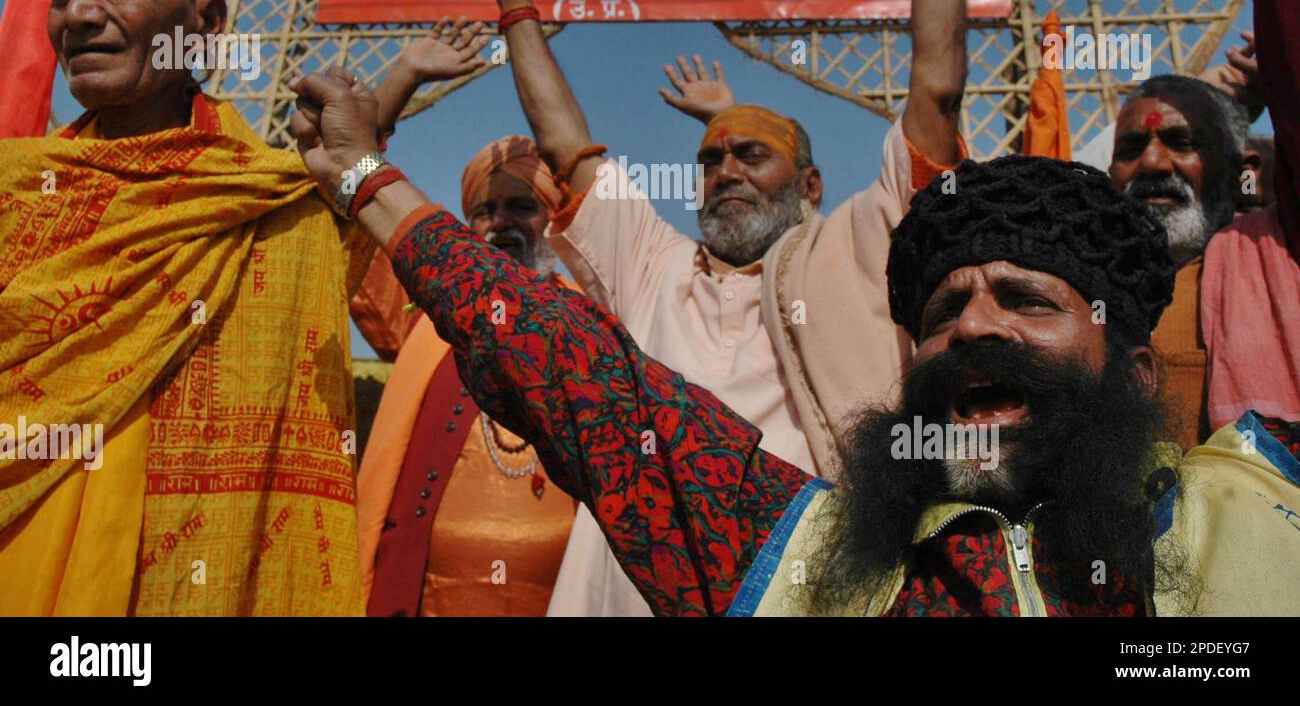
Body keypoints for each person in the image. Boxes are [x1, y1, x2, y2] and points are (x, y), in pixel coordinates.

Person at [283, 70, 1300, 617]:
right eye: (944, 310)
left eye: (1024, 299)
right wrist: (367, 178)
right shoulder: (829, 563)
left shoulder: (1260, 516)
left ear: (1130, 367)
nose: (975, 326)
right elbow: (587, 385)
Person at [479, 0, 973, 616]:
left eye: (752, 154)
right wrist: (514, 3)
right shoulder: (654, 267)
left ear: (809, 180)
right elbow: (566, 145)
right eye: (710, 160)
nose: (725, 172)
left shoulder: (859, 241)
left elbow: (937, 88)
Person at [0, 0, 475, 615]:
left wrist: (399, 79)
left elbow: (344, 188)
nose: (79, 13)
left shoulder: (268, 200)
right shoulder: (15, 189)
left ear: (208, 22)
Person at [1079, 0, 1299, 449]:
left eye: (1181, 142)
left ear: (1238, 168)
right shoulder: (1066, 297)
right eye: (1130, 147)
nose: (1153, 161)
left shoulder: (1283, 249)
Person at [352, 125, 579, 617]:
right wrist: (366, 137)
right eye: (484, 210)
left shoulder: (592, 323)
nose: (501, 222)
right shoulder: (428, 316)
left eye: (521, 207)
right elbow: (358, 223)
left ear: (552, 215)